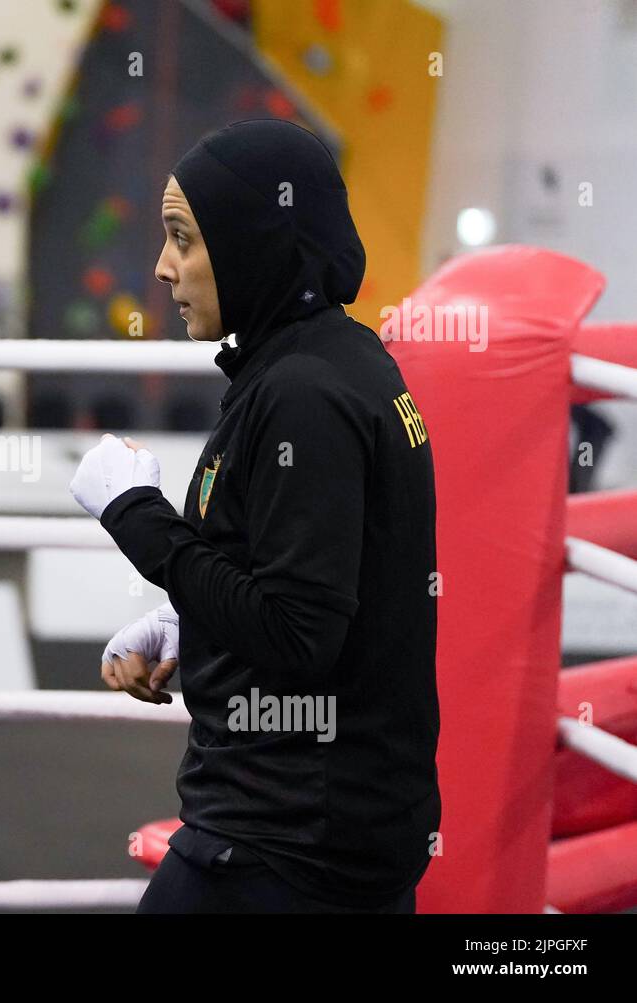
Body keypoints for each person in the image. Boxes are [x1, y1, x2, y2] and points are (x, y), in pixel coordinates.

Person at [70, 119, 440, 913]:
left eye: (183, 239)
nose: (164, 268)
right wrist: (189, 627)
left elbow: (300, 634)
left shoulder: (304, 391)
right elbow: (332, 582)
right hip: (318, 826)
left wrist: (136, 515)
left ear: (252, 241)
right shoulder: (338, 360)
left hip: (284, 841)